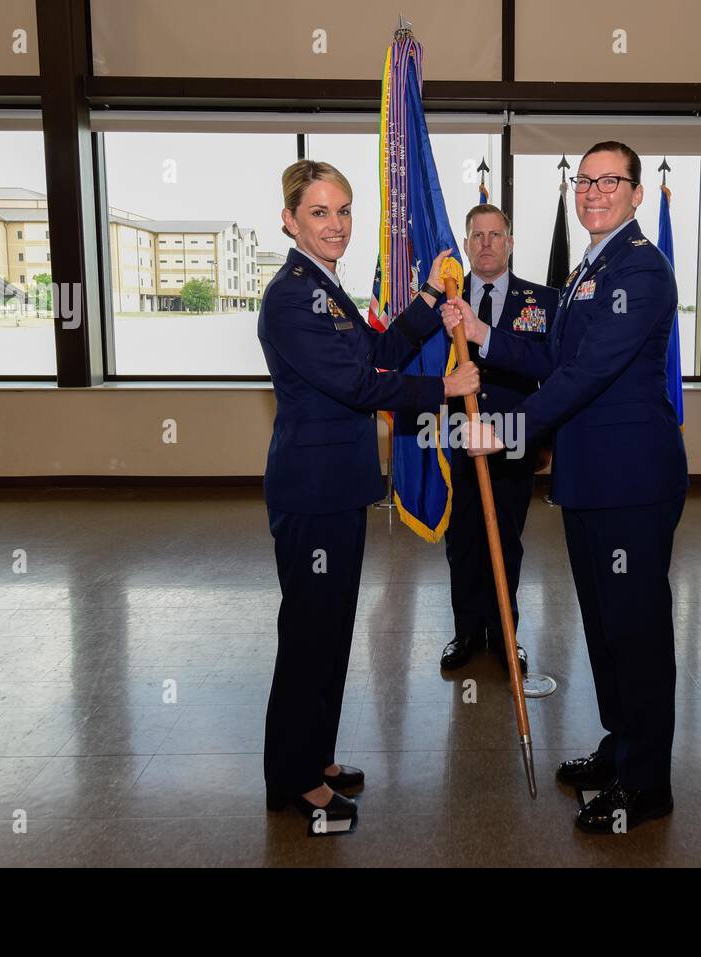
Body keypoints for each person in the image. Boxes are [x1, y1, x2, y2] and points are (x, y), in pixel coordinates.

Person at [443, 141, 688, 833]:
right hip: (589, 480)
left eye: (610, 180)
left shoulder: (640, 268)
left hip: (630, 484)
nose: (593, 190)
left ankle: (646, 784)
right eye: (585, 180)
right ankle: (621, 746)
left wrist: (508, 428)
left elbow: (585, 376)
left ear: (638, 193)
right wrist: (484, 332)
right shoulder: (591, 267)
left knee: (636, 634)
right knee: (607, 630)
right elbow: (555, 353)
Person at [257, 159, 478, 830]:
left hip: (339, 488)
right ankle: (293, 779)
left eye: (345, 210)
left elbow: (375, 352)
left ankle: (315, 756)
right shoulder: (293, 295)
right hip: (313, 493)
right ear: (290, 220)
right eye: (320, 212)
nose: (337, 224)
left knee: (330, 632)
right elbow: (359, 387)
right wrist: (444, 388)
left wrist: (426, 311)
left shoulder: (325, 288)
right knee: (309, 636)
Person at [439, 203, 559, 676]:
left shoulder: (542, 300)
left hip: (513, 436)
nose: (486, 243)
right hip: (457, 436)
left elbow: (551, 368)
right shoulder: (442, 300)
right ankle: (467, 630)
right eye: (477, 235)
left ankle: (505, 631)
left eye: (496, 234)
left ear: (509, 243)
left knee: (506, 538)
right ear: (467, 245)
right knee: (462, 538)